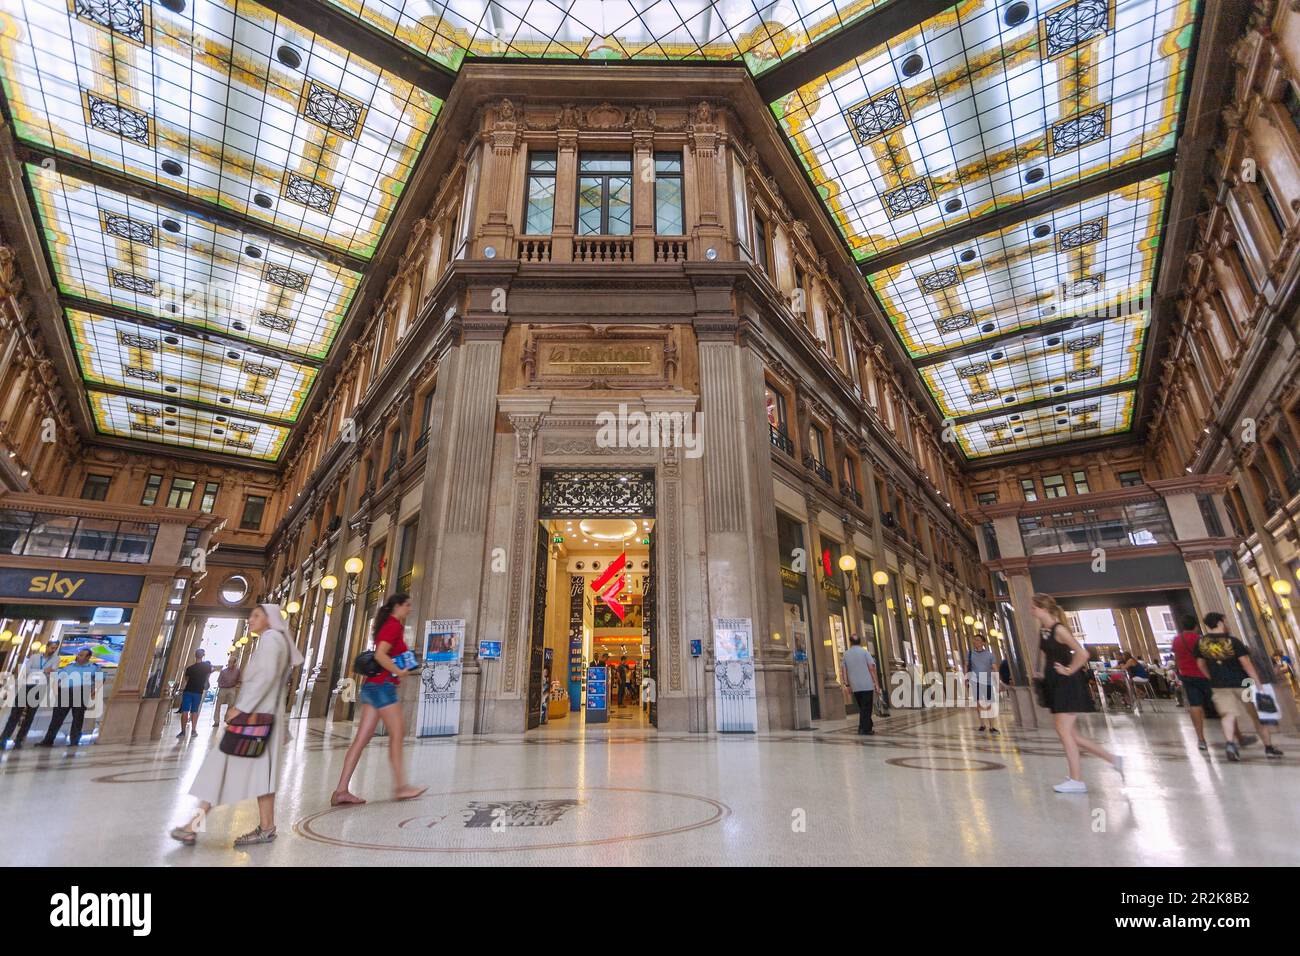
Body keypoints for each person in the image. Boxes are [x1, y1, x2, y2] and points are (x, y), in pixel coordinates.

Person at [170, 604, 303, 846]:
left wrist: (241, 708)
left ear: (269, 619)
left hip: (252, 721)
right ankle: (266, 827)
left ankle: (193, 826)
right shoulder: (277, 640)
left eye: (256, 615)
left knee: (217, 771)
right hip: (264, 721)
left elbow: (264, 678)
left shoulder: (272, 639)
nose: (250, 620)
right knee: (263, 775)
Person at [331, 594, 426, 807]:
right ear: (397, 606)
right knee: (397, 734)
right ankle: (402, 787)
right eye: (407, 605)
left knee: (361, 740)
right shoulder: (393, 625)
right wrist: (399, 671)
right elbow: (381, 655)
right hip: (383, 687)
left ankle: (341, 790)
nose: (410, 609)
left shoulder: (387, 625)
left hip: (372, 686)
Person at [1030, 593, 1123, 793]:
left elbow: (1083, 653)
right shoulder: (1044, 630)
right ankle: (1113, 760)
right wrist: (1041, 672)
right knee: (1070, 733)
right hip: (1054, 682)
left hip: (1066, 683)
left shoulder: (1059, 629)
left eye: (1033, 607)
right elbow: (1048, 655)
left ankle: (1077, 780)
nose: (1031, 610)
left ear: (1043, 608)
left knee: (1065, 732)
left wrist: (1069, 670)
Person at [1195, 613, 1283, 761]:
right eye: (1225, 620)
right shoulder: (1232, 641)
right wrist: (1258, 683)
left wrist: (1211, 677)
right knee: (1256, 715)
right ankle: (1268, 748)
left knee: (1227, 715)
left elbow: (1200, 664)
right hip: (1243, 684)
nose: (1226, 623)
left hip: (1219, 685)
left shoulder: (1202, 643)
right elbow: (1246, 663)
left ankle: (1230, 745)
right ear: (1220, 622)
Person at [35, 648, 101, 747]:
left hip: (81, 693)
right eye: (79, 654)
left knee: (77, 719)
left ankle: (74, 741)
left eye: (82, 655)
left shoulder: (94, 668)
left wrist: (94, 691)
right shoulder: (69, 666)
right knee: (56, 718)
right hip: (65, 693)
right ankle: (48, 741)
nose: (79, 656)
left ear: (88, 657)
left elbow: (100, 680)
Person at [0, 642, 57, 750]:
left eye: (55, 648)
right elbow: (27, 670)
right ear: (47, 647)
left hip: (40, 689)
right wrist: (43, 671)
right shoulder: (35, 657)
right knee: (15, 714)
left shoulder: (55, 659)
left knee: (29, 717)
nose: (53, 650)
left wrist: (37, 672)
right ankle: (4, 738)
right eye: (52, 648)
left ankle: (19, 740)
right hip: (26, 687)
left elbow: (52, 672)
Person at [1170, 615, 1212, 751]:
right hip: (1204, 675)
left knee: (1195, 705)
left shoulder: (1177, 640)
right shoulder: (1200, 639)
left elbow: (1176, 658)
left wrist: (1179, 672)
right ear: (1196, 626)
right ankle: (1235, 736)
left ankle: (1200, 738)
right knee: (1218, 702)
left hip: (1186, 675)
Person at [842, 634, 879, 735]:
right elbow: (871, 668)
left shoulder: (846, 654)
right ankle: (864, 729)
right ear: (860, 642)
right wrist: (876, 683)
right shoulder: (865, 652)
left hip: (855, 686)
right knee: (866, 708)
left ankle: (867, 726)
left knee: (863, 708)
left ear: (850, 642)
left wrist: (847, 685)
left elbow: (844, 671)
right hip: (867, 685)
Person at [177, 649, 213, 739]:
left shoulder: (190, 668)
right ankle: (193, 730)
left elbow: (186, 679)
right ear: (203, 656)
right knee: (194, 711)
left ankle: (183, 731)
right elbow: (208, 675)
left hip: (188, 690)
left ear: (195, 655)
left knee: (185, 711)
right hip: (198, 691)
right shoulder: (207, 667)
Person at [966, 636, 999, 735]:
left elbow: (995, 667)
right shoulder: (970, 654)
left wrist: (998, 681)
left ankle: (992, 726)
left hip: (987, 681)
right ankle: (982, 724)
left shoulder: (989, 655)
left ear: (983, 643)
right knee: (978, 704)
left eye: (978, 640)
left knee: (989, 704)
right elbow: (966, 665)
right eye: (974, 640)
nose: (975, 642)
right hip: (975, 682)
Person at [212, 651, 241, 728]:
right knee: (218, 705)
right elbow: (219, 681)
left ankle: (227, 719)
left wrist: (236, 686)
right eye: (229, 662)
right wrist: (221, 685)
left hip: (232, 688)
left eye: (231, 662)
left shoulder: (237, 671)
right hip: (223, 689)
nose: (229, 663)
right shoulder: (223, 671)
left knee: (231, 705)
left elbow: (239, 680)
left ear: (234, 663)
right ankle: (216, 721)